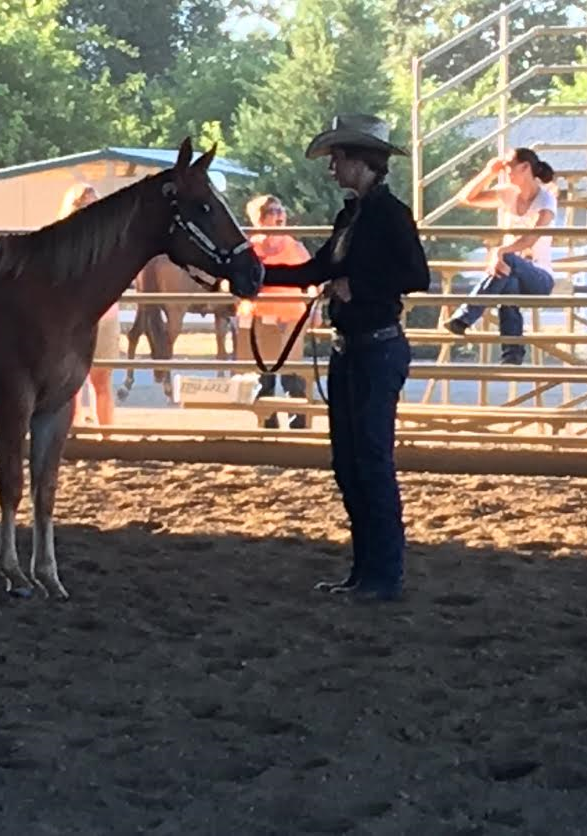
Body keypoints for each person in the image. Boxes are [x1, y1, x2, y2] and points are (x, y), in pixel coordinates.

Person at [256, 114, 431, 603]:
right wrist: (261, 273)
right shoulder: (352, 217)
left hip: (374, 347)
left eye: (339, 158)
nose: (332, 167)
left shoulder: (389, 216)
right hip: (356, 348)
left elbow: (418, 275)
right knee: (352, 462)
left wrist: (358, 286)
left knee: (370, 460)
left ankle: (383, 573)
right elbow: (317, 269)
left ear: (361, 162)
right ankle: (367, 571)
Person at [442, 148, 557, 365]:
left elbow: (530, 239)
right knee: (509, 283)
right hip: (509, 270)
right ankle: (512, 353)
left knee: (510, 261)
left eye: (509, 167)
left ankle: (466, 315)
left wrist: (501, 252)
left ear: (525, 168)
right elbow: (466, 198)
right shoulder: (508, 193)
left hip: (540, 277)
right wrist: (488, 172)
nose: (506, 172)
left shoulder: (546, 199)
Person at [245, 194, 313, 428]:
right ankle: (268, 421)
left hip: (293, 317)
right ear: (259, 219)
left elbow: (313, 279)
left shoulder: (295, 246)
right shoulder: (250, 250)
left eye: (280, 211)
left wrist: (316, 308)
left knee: (292, 374)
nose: (279, 216)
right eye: (271, 212)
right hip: (261, 318)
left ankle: (298, 421)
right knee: (263, 374)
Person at [59, 183, 119, 427]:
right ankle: (71, 433)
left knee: (101, 380)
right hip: (71, 316)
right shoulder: (62, 241)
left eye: (94, 205)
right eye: (84, 205)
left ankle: (106, 436)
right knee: (69, 383)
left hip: (103, 314)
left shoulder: (110, 239)